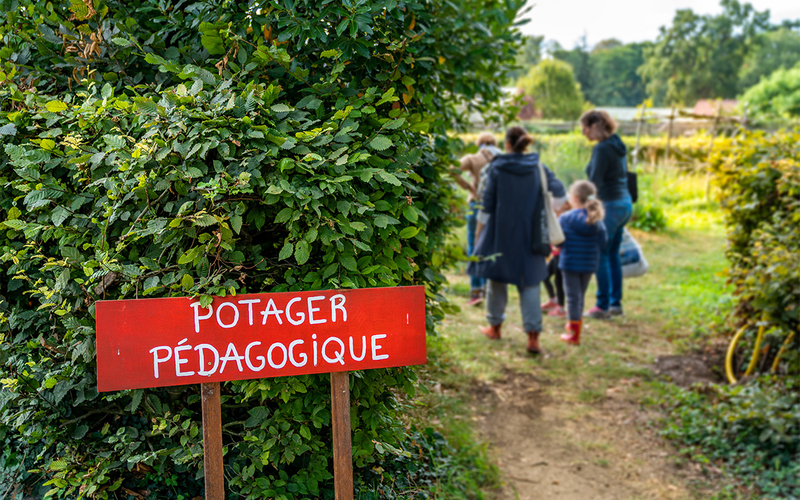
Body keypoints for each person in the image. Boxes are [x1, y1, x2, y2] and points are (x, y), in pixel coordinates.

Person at [467, 126, 566, 354]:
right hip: (532, 235)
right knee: (529, 283)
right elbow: (560, 193)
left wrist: (480, 234)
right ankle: (533, 338)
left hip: (499, 234)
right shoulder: (538, 167)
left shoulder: (498, 168)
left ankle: (495, 327)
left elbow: (487, 206)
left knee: (496, 281)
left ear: (507, 144)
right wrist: (552, 211)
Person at [580, 110, 632, 319]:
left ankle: (602, 307)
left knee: (599, 253)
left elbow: (594, 183)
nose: (583, 132)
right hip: (624, 203)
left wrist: (582, 206)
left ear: (594, 126)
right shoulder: (617, 144)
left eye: (585, 127)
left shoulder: (601, 149)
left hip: (609, 205)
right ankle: (615, 304)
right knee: (612, 254)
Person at [451, 132, 503, 307]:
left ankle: (476, 292)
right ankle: (490, 290)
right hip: (497, 208)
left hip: (477, 204)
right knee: (492, 247)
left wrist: (468, 187)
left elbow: (452, 170)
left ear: (479, 143)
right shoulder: (502, 158)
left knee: (475, 245)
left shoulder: (473, 158)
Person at [557, 181, 607, 345]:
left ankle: (573, 333)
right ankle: (575, 326)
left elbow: (558, 241)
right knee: (580, 296)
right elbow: (603, 241)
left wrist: (559, 247)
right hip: (589, 264)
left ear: (575, 198)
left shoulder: (565, 218)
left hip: (570, 263)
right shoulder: (597, 220)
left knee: (572, 297)